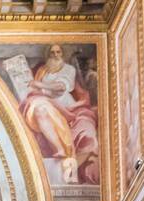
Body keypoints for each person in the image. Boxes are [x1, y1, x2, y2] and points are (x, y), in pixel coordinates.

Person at [20, 44, 100, 185]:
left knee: (87, 132)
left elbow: (60, 88)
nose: (56, 55)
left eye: (58, 52)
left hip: (70, 108)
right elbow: (29, 86)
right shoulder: (42, 71)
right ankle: (60, 150)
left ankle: (71, 167)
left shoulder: (68, 70)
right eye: (52, 52)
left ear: (63, 55)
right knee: (39, 108)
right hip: (49, 104)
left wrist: (40, 85)